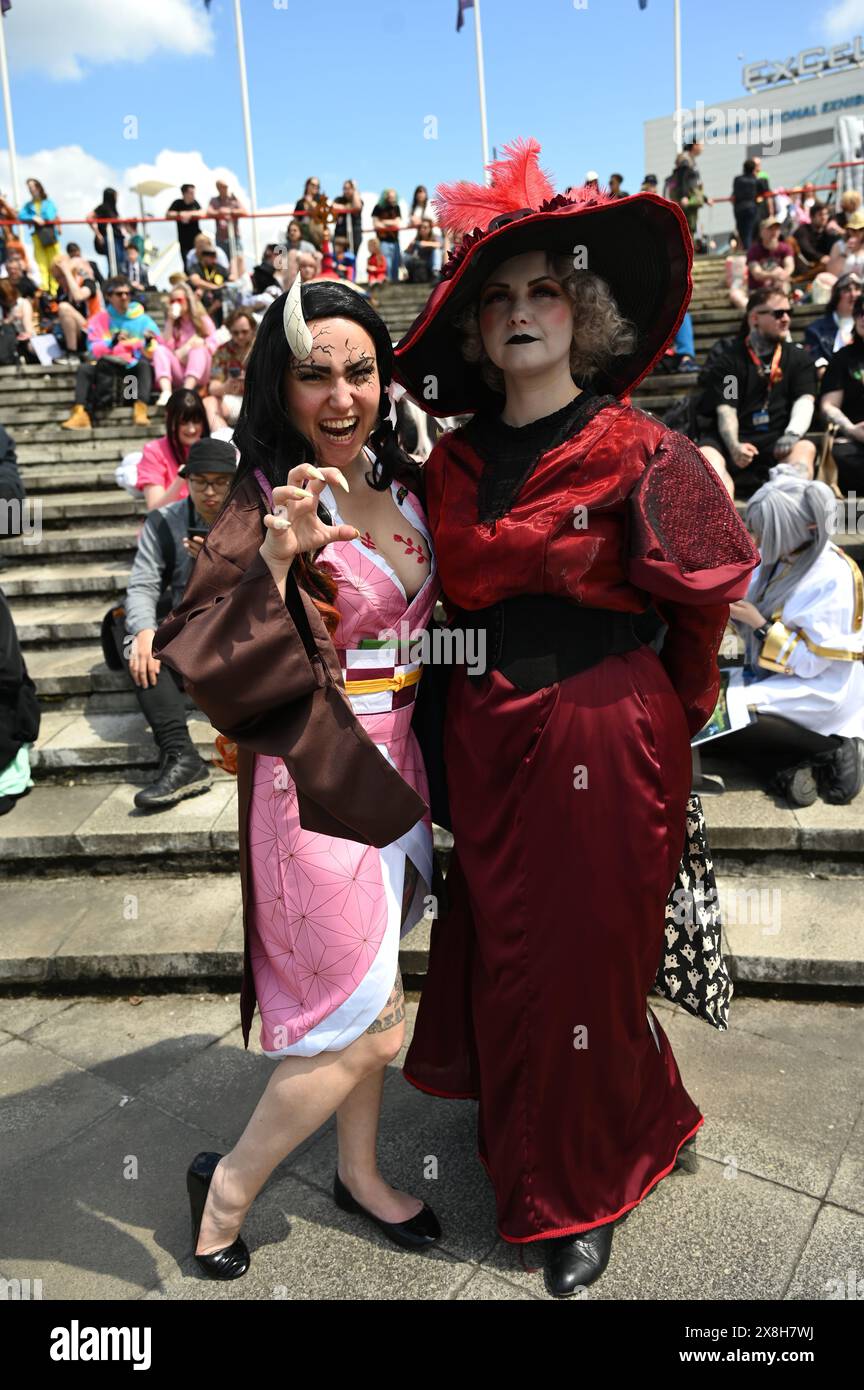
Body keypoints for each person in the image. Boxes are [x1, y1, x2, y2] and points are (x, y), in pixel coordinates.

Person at [391, 137, 759, 1297]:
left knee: (589, 970)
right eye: (494, 297)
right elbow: (423, 607)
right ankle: (614, 1118)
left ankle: (580, 1192)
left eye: (543, 288)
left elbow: (701, 619)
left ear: (584, 308)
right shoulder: (444, 470)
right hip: (484, 739)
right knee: (509, 958)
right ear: (474, 328)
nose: (517, 311)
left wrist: (660, 727)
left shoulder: (649, 448)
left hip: (609, 733)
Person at [152, 276, 442, 1279]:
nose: (340, 393)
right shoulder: (259, 498)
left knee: (367, 1009)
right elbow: (198, 646)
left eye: (359, 369)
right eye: (314, 373)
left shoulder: (399, 481)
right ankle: (226, 1188)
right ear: (283, 384)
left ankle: (359, 1172)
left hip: (398, 766)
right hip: (312, 775)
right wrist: (277, 565)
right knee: (367, 1028)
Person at [710, 476, 864, 807]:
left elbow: (813, 663)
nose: (759, 538)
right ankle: (785, 769)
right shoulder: (781, 551)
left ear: (804, 527)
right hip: (775, 675)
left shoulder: (834, 577)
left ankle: (831, 749)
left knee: (720, 717)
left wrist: (760, 625)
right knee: (703, 717)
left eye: (765, 529)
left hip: (821, 689)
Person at [124, 437, 240, 810]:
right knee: (127, 633)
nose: (209, 492)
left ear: (235, 481)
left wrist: (218, 562)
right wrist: (143, 632)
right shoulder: (163, 522)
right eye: (200, 481)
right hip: (181, 638)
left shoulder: (251, 521)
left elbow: (267, 595)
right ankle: (180, 755)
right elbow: (142, 584)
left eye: (220, 481)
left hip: (234, 642)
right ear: (186, 480)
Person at [698, 287, 818, 498]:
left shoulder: (799, 358)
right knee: (708, 457)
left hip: (778, 440)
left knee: (805, 448)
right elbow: (728, 406)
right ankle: (724, 527)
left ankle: (786, 519)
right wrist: (734, 446)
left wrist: (792, 434)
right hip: (734, 441)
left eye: (789, 312)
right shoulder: (730, 361)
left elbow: (804, 400)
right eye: (778, 313)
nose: (786, 319)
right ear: (754, 318)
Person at [61, 276, 161, 430]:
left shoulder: (143, 319)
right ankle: (80, 414)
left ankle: (140, 410)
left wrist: (147, 342)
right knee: (84, 370)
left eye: (127, 293)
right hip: (106, 368)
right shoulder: (99, 319)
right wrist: (112, 342)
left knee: (142, 367)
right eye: (119, 294)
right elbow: (92, 349)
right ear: (108, 296)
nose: (124, 297)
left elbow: (158, 345)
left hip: (130, 371)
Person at [819, 292, 864, 493]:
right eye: (860, 313)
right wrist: (851, 429)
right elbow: (829, 405)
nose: (863, 318)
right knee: (841, 455)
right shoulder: (843, 358)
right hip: (855, 437)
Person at [136, 387, 209, 510]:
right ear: (170, 420)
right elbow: (155, 510)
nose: (191, 429)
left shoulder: (214, 449)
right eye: (184, 422)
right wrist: (180, 479)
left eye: (196, 421)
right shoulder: (154, 451)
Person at [152, 282, 217, 406]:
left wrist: (201, 343)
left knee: (198, 348)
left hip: (201, 371)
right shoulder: (174, 323)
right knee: (159, 349)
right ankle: (166, 392)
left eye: (179, 300)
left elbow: (214, 341)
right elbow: (167, 347)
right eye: (172, 301)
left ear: (188, 300)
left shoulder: (201, 319)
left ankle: (186, 392)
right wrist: (170, 321)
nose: (176, 303)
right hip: (180, 369)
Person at [203, 307, 255, 429]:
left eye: (244, 331)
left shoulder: (263, 349)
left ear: (253, 329)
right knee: (209, 403)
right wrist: (226, 386)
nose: (240, 336)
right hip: (234, 400)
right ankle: (224, 441)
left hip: (260, 401)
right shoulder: (222, 351)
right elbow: (213, 387)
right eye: (235, 333)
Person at [804, 273, 862, 376]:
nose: (853, 294)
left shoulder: (861, 326)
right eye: (847, 290)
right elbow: (819, 367)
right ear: (836, 295)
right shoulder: (816, 330)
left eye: (857, 289)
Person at [19, 178, 62, 293]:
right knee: (41, 263)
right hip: (38, 236)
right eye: (29, 188)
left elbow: (50, 215)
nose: (31, 189)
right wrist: (32, 218)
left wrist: (40, 217)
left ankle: (55, 290)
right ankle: (44, 288)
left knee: (54, 263)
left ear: (38, 187)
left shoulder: (48, 202)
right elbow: (21, 215)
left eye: (32, 187)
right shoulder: (28, 205)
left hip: (51, 236)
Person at [87, 188, 131, 279]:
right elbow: (89, 217)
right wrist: (98, 234)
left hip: (118, 239)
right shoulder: (102, 207)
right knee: (114, 262)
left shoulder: (114, 209)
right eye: (115, 196)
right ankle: (114, 282)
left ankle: (119, 280)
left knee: (121, 263)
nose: (117, 198)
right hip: (110, 238)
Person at [207, 179, 247, 275]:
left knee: (238, 258)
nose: (225, 189)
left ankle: (238, 279)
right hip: (221, 238)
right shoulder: (214, 200)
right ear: (218, 188)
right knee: (223, 261)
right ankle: (226, 280)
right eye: (223, 187)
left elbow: (244, 211)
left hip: (235, 237)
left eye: (226, 187)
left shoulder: (234, 199)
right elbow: (209, 212)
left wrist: (230, 212)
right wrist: (219, 212)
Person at [746, 217, 794, 293]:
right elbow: (757, 274)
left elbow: (790, 266)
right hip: (758, 291)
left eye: (776, 229)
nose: (774, 232)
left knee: (781, 282)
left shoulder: (786, 248)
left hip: (778, 285)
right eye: (770, 229)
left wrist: (782, 274)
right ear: (761, 232)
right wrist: (774, 275)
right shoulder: (753, 251)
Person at [166, 184, 202, 266]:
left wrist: (189, 214)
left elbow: (202, 212)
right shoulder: (178, 203)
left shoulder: (195, 203)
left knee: (199, 263)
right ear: (185, 193)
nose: (193, 195)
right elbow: (168, 214)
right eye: (191, 193)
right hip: (184, 241)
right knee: (187, 264)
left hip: (196, 240)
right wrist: (180, 214)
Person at [371, 189, 403, 281]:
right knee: (386, 265)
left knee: (395, 264)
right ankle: (387, 282)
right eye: (389, 197)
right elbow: (376, 224)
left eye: (393, 197)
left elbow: (397, 222)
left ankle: (395, 283)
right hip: (383, 241)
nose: (391, 199)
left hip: (395, 241)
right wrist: (390, 224)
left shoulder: (396, 207)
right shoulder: (378, 207)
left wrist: (383, 222)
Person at [731, 158, 760, 251]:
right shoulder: (755, 180)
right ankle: (748, 252)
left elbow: (735, 193)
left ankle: (746, 250)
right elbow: (763, 191)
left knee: (742, 231)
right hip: (751, 208)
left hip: (739, 209)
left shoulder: (737, 179)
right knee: (748, 231)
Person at [332, 179, 363, 260]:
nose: (346, 191)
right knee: (338, 258)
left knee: (352, 258)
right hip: (340, 234)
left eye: (349, 188)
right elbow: (333, 207)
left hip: (354, 234)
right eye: (344, 188)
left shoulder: (357, 199)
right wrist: (348, 208)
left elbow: (357, 207)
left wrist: (355, 190)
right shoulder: (339, 199)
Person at [403, 218, 441, 283]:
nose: (422, 229)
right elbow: (406, 252)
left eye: (425, 227)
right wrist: (411, 246)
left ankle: (436, 274)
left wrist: (424, 243)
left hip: (430, 264)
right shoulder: (416, 238)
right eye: (421, 227)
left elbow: (439, 245)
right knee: (405, 255)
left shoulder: (435, 237)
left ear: (430, 229)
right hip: (420, 265)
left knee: (437, 251)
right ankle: (410, 275)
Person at [293, 176, 326, 250]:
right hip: (303, 232)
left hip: (317, 233)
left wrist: (310, 202)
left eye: (317, 186)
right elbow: (295, 219)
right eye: (313, 185)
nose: (315, 187)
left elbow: (320, 212)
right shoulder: (300, 202)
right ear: (307, 185)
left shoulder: (321, 199)